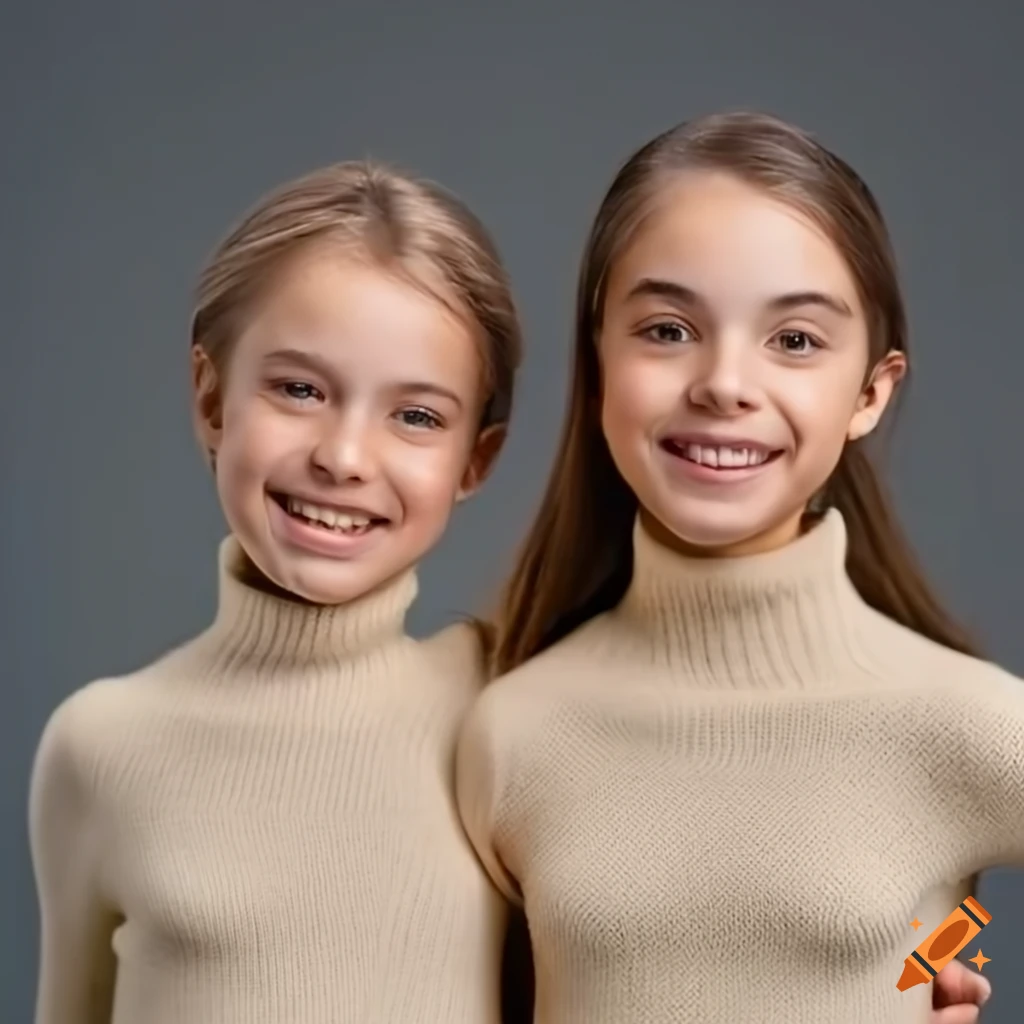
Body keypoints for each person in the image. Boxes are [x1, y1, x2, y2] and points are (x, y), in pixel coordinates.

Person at [457, 111, 1013, 1023]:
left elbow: (938, 937)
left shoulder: (967, 723)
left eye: (794, 340)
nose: (723, 383)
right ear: (598, 366)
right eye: (668, 329)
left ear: (870, 393)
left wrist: (934, 961)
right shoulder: (511, 733)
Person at [29, 160, 521, 1023]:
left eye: (416, 416)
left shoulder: (508, 709)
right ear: (212, 398)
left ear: (474, 461)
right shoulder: (101, 746)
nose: (344, 456)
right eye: (300, 389)